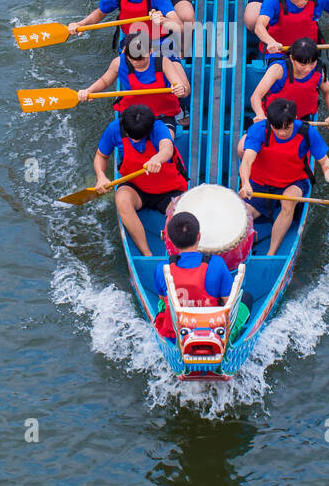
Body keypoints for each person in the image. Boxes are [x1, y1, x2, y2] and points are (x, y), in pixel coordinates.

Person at [239, 98, 329, 257]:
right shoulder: (258, 130)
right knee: (241, 213)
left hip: (293, 181)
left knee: (288, 200)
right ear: (269, 122)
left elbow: (327, 163)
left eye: (287, 128)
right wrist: (245, 183)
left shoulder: (308, 132)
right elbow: (247, 160)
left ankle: (270, 254)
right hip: (260, 183)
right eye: (277, 129)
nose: (282, 133)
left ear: (295, 118)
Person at [92, 105, 188, 258]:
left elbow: (167, 148)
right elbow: (101, 156)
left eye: (140, 137)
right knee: (121, 199)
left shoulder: (158, 127)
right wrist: (101, 176)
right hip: (137, 188)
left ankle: (181, 257)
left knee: (185, 213)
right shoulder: (114, 128)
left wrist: (157, 159)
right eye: (132, 136)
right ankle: (146, 253)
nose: (135, 140)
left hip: (169, 190)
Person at [78, 32, 190, 133]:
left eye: (141, 59)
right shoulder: (118, 63)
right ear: (126, 52)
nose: (137, 63)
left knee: (167, 144)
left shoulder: (163, 61)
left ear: (150, 51)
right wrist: (89, 90)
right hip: (135, 113)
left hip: (163, 113)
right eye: (132, 59)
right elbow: (105, 81)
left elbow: (179, 85)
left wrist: (180, 89)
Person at [152, 211, 237, 338]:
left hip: (176, 332)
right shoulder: (217, 263)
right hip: (213, 331)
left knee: (162, 303)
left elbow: (161, 297)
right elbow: (229, 302)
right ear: (199, 236)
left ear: (170, 240)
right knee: (246, 298)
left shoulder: (162, 268)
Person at [252, 39, 329, 125]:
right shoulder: (278, 69)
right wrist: (260, 114)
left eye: (312, 63)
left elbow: (328, 92)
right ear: (292, 58)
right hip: (276, 118)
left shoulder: (319, 70)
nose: (308, 69)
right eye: (303, 65)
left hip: (302, 118)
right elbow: (256, 96)